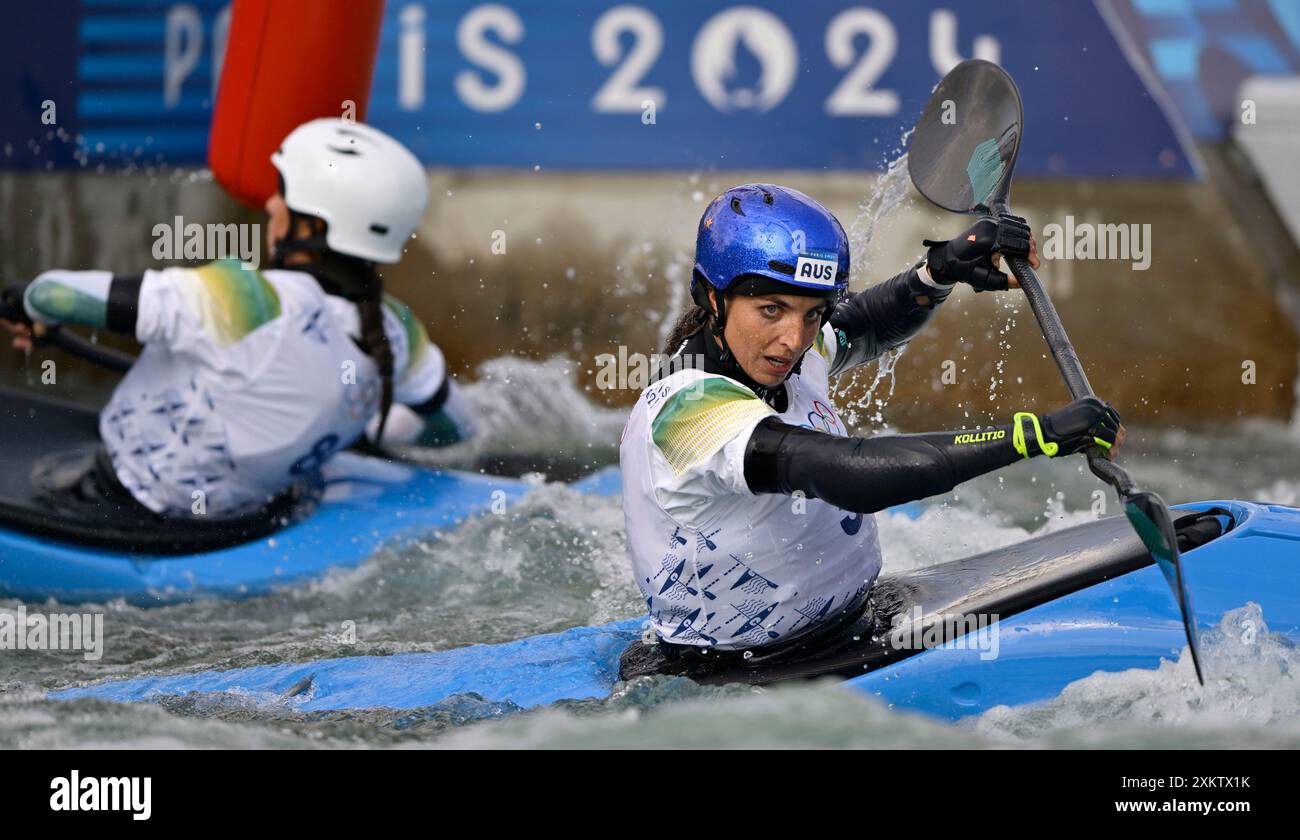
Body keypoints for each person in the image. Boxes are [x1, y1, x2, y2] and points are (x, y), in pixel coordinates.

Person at [618, 183, 1122, 669]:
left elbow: (864, 323)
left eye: (813, 314)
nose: (794, 339)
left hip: (846, 628)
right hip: (744, 675)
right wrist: (1034, 436)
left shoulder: (782, 353)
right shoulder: (687, 413)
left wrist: (939, 270)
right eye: (771, 310)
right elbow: (847, 473)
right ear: (712, 297)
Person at [0, 118, 473, 520]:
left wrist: (26, 304)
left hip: (120, 504)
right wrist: (364, 430)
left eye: (282, 194)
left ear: (312, 227)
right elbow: (452, 429)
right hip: (253, 518)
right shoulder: (397, 330)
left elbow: (56, 294)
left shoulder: (245, 299)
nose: (270, 205)